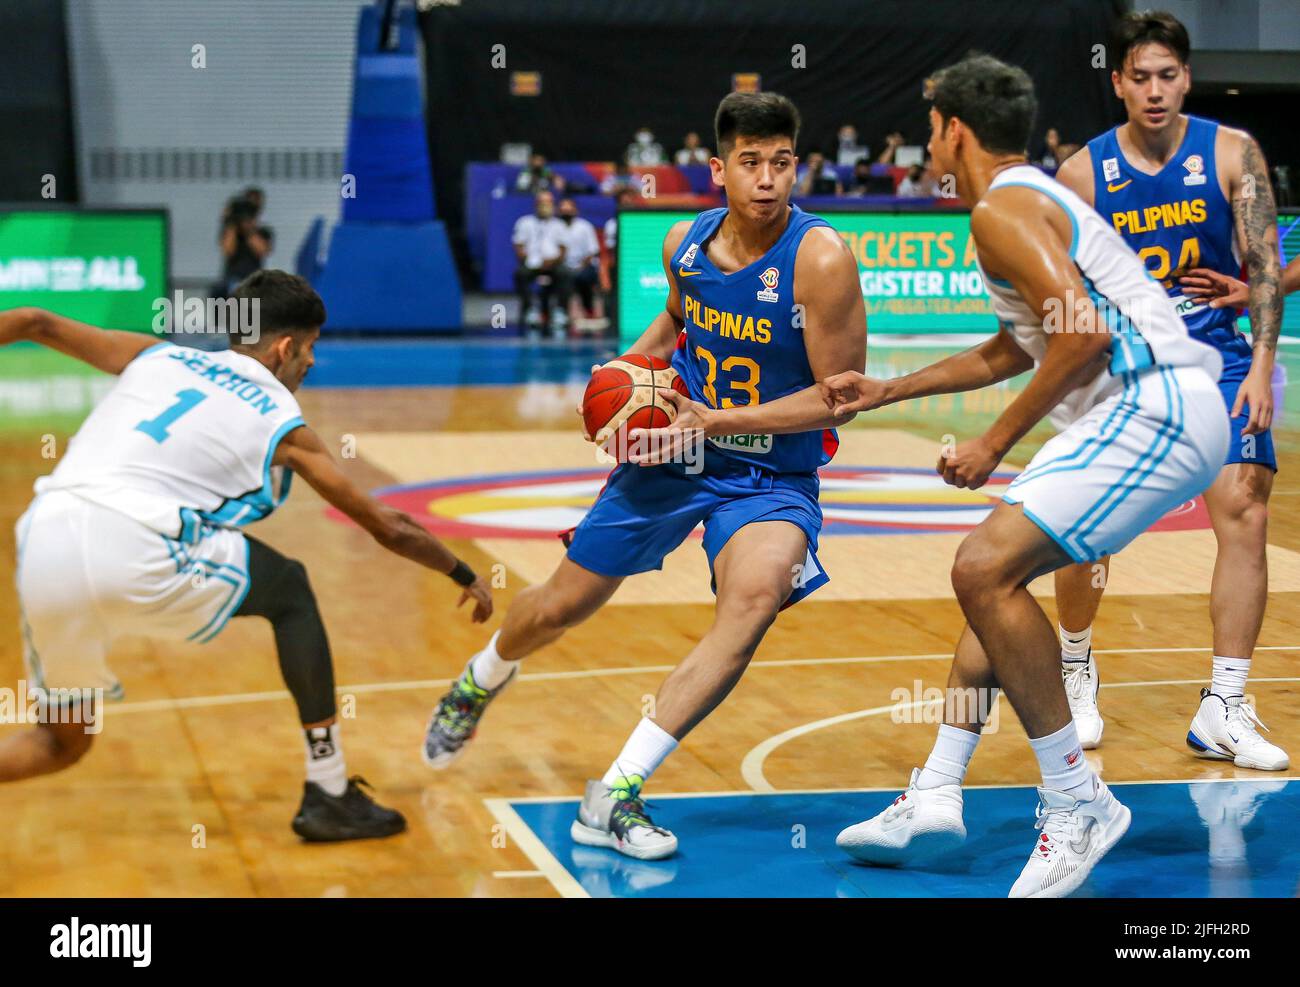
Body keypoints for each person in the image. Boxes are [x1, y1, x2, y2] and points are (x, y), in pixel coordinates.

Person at [422, 91, 866, 859]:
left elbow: (840, 400)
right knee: (561, 606)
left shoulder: (821, 257)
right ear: (719, 168)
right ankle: (482, 674)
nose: (767, 179)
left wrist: (718, 422)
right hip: (677, 453)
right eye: (750, 163)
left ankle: (616, 790)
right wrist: (625, 374)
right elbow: (676, 320)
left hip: (770, 473)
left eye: (782, 163)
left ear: (800, 166)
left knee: (752, 602)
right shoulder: (684, 245)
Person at [828, 53, 1228, 897]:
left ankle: (1078, 800)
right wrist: (889, 388)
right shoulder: (1029, 200)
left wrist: (995, 442)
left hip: (1155, 405)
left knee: (980, 565)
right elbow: (1020, 345)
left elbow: (1080, 334)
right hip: (1140, 410)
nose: (924, 142)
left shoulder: (1003, 211)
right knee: (993, 584)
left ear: (954, 130)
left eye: (930, 126)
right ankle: (937, 786)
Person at [0, 271, 494, 841]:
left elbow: (35, 321)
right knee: (290, 590)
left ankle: (330, 792)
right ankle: (328, 789)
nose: (311, 363)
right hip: (137, 540)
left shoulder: (157, 355)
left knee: (60, 742)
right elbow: (388, 526)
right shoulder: (281, 419)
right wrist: (463, 571)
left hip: (44, 535)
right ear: (285, 347)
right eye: (310, 349)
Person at [1048, 10, 1288, 770]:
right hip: (1123, 367)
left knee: (1246, 505)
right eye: (1139, 77)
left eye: (1168, 75)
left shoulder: (1232, 151)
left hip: (1217, 358)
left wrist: (1260, 365)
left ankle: (1224, 702)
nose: (1155, 91)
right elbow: (1057, 288)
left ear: (1186, 77)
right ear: (1117, 82)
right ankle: (1076, 662)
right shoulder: (1082, 174)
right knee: (1089, 528)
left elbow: (1266, 265)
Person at [511, 190, 567, 334]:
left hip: (553, 263)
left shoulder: (559, 225)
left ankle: (560, 312)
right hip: (532, 263)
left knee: (565, 273)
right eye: (542, 203)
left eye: (548, 203)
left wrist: (551, 261)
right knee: (520, 274)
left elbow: (563, 250)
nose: (545, 206)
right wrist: (528, 258)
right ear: (536, 204)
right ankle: (531, 311)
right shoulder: (524, 222)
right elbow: (518, 246)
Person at [554, 198, 601, 331]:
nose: (566, 213)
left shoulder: (585, 226)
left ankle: (589, 310)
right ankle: (561, 313)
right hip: (562, 266)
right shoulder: (554, 227)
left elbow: (593, 251)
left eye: (569, 210)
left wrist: (581, 266)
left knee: (583, 278)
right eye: (563, 210)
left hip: (584, 265)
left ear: (575, 211)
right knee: (561, 275)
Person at [217, 190, 272, 295]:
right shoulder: (230, 230)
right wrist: (231, 223)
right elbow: (228, 250)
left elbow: (263, 251)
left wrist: (249, 229)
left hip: (254, 279)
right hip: (233, 278)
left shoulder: (263, 231)